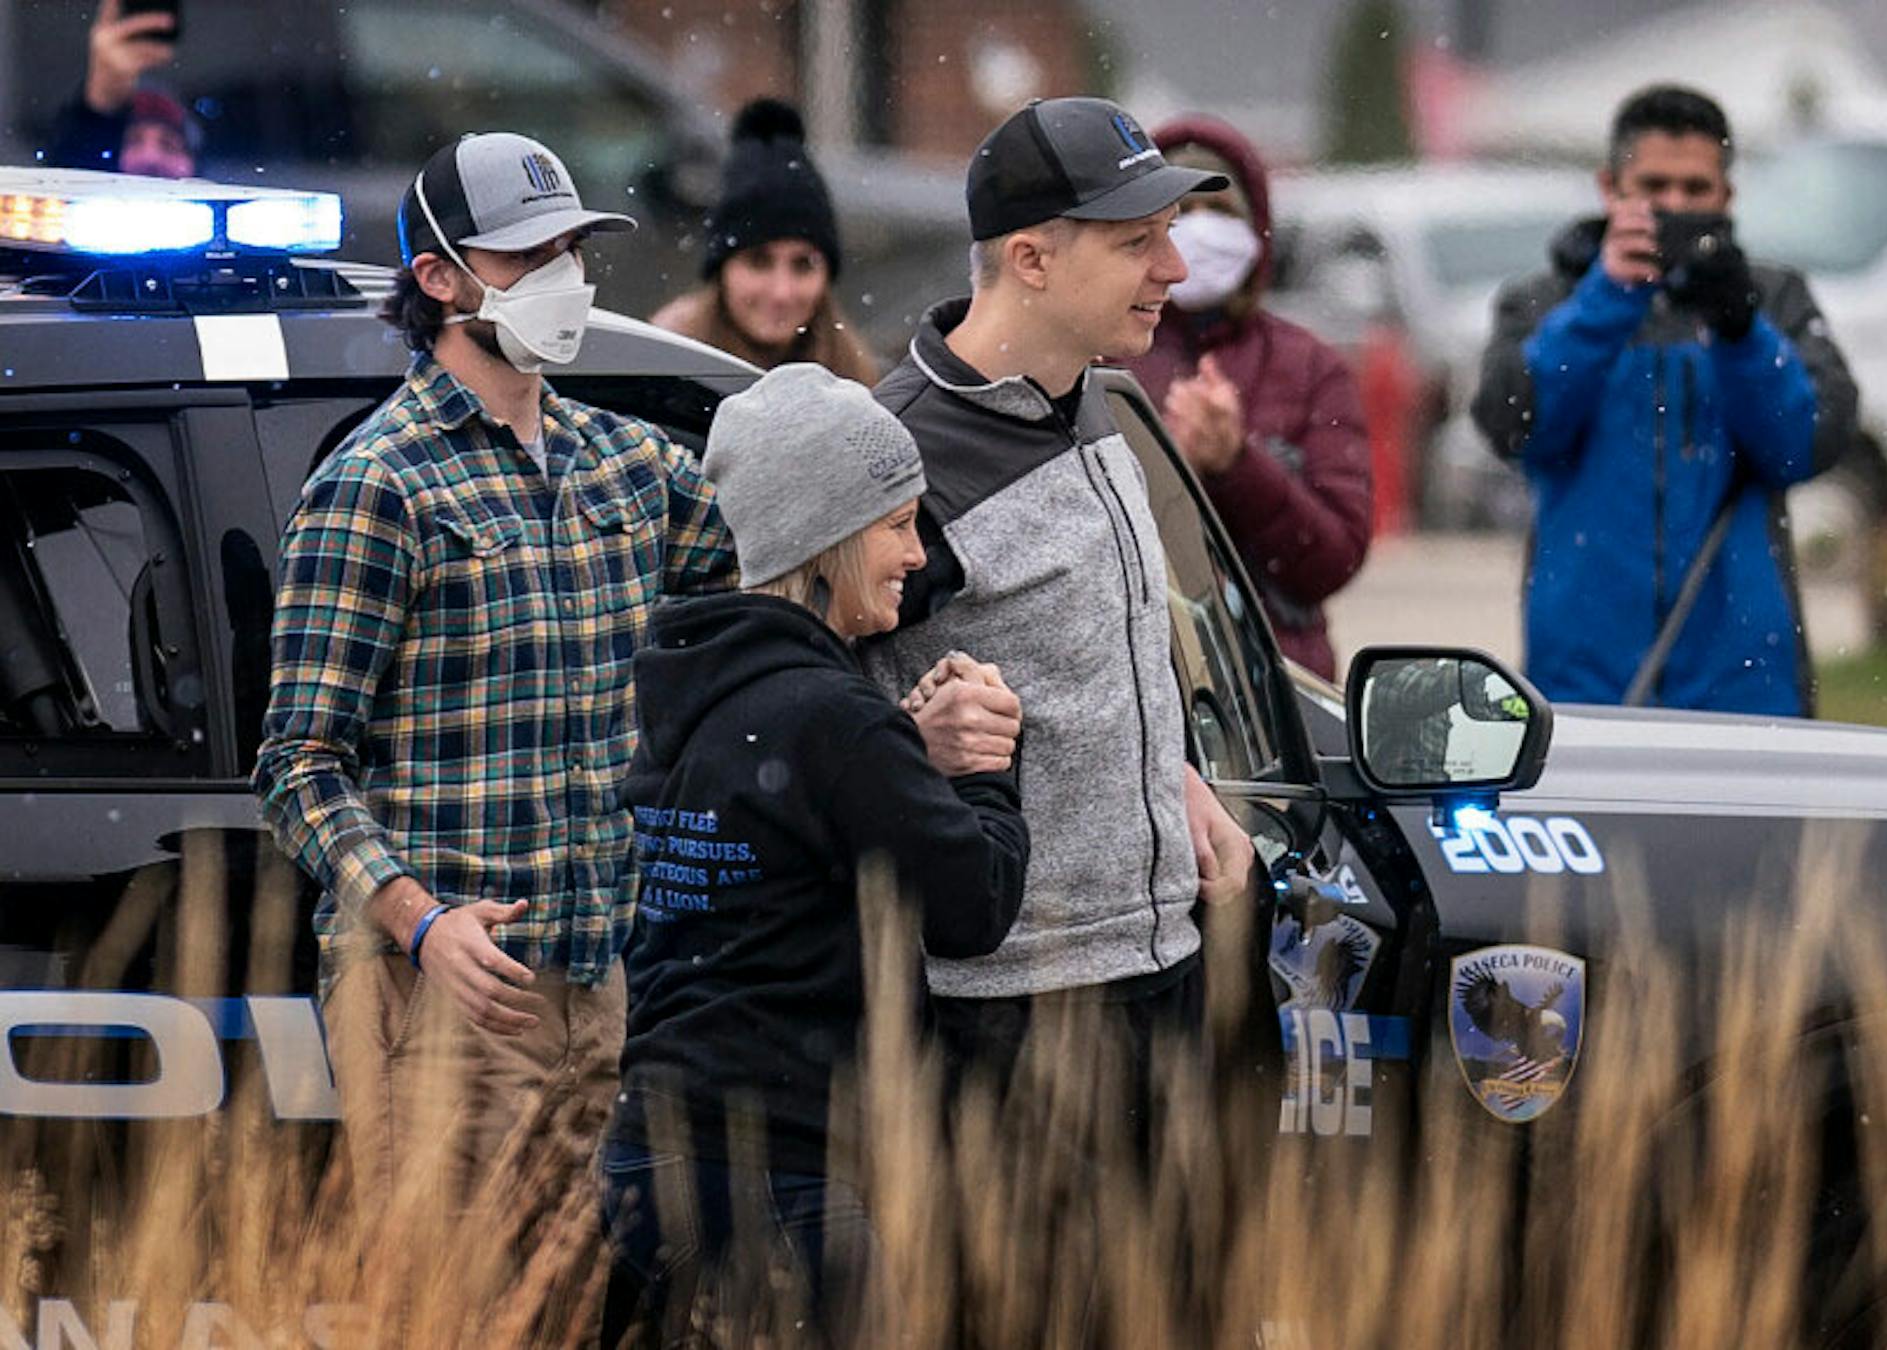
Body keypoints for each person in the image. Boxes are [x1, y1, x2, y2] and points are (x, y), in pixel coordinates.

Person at [252, 133, 735, 1222]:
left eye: (571, 249)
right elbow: (297, 764)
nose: (563, 276)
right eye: (527, 256)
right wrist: (420, 922)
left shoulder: (627, 463)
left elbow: (787, 571)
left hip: (602, 985)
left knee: (576, 1302)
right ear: (437, 277)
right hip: (441, 1004)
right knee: (455, 1301)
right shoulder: (377, 485)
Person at [601, 364, 1029, 1347]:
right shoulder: (831, 719)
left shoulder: (686, 682)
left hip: (647, 1161)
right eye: (897, 525)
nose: (916, 555)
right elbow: (974, 907)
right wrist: (984, 771)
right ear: (823, 536)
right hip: (785, 1174)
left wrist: (903, 758)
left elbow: (787, 831)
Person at [865, 97, 1255, 1094]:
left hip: (1160, 960)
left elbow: (1085, 662)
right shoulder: (892, 457)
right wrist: (909, 744)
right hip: (1010, 1004)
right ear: (1031, 260)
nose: (1174, 269)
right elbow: (791, 726)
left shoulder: (1089, 396)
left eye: (1170, 234)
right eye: (1137, 243)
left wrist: (1168, 776)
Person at [1470, 84, 1859, 716]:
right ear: (1610, 190)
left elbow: (1805, 445)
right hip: (1585, 687)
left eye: (1695, 189)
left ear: (1727, 197)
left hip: (1744, 690)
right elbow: (1514, 425)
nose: (1675, 206)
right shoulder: (1543, 301)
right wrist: (1607, 299)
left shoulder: (1774, 300)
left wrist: (1740, 330)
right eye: (1654, 187)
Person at [1124, 116, 1373, 681]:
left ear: (1255, 229)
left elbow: (1334, 558)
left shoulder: (1311, 367)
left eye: (1220, 210)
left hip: (1276, 684)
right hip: (1146, 674)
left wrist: (1237, 464)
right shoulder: (1105, 355)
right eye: (1178, 215)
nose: (1199, 231)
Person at [651, 98, 880, 384]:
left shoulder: (859, 385)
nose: (781, 292)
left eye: (803, 265)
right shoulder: (661, 371)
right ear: (721, 270)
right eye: (758, 262)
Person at [41, 0, 198, 178]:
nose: (150, 158)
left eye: (169, 145)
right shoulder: (82, 181)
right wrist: (103, 96)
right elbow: (68, 173)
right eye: (134, 141)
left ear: (194, 160)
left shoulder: (222, 189)